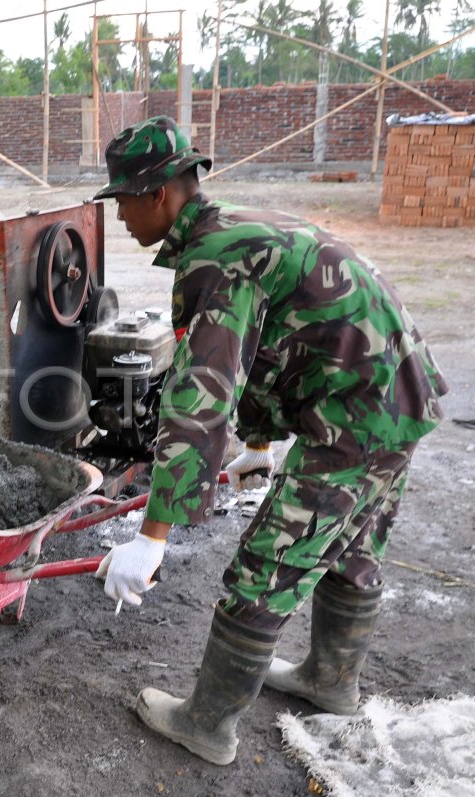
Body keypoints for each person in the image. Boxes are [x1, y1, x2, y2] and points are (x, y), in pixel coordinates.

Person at [91, 116, 447, 765]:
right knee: (351, 543)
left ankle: (206, 722)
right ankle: (331, 679)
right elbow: (259, 356)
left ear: (159, 194)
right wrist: (257, 445)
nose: (120, 217)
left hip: (358, 415)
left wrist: (150, 539)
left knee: (266, 566)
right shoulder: (238, 233)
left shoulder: (214, 259)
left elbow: (199, 402)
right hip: (397, 393)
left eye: (121, 201)